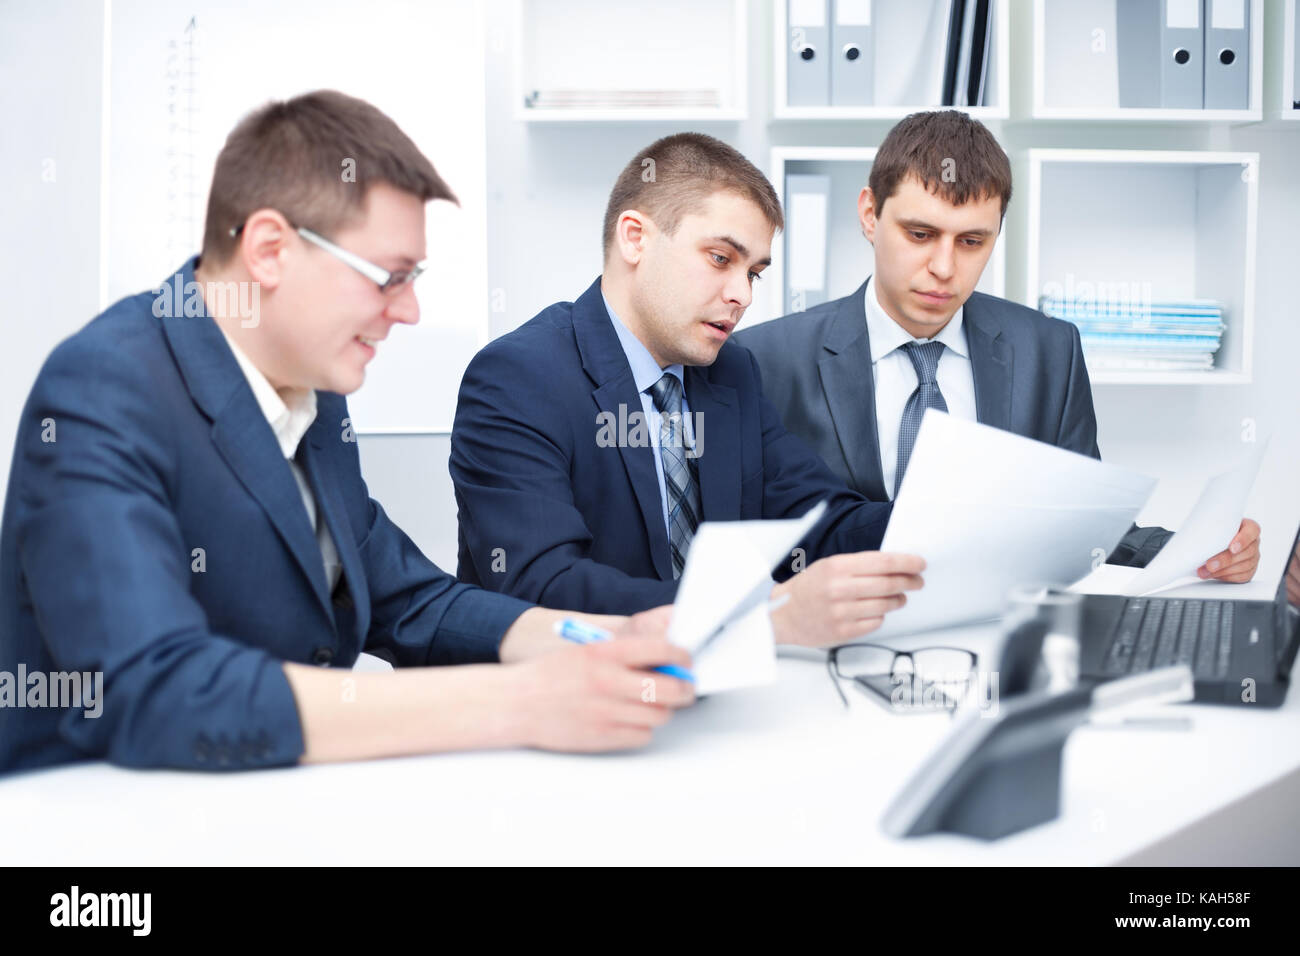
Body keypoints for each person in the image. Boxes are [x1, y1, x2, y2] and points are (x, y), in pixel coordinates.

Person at [0, 91, 694, 776]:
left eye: (414, 278)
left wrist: (592, 638)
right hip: (94, 816)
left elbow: (406, 598)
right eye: (389, 277)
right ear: (269, 250)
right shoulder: (102, 388)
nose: (411, 310)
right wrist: (520, 701)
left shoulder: (313, 387)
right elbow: (155, 686)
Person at [735, 110, 1260, 582]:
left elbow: (1085, 527)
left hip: (1000, 642)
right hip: (832, 647)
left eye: (971, 241)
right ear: (870, 215)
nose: (944, 268)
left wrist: (1203, 549)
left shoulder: (1051, 352)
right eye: (920, 234)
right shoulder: (765, 359)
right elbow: (756, 542)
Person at [450, 133, 925, 648]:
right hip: (559, 700)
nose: (742, 295)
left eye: (754, 274)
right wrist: (762, 615)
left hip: (708, 690)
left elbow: (820, 520)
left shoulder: (731, 371)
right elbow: (542, 588)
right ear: (635, 238)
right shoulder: (517, 376)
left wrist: (944, 520)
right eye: (721, 259)